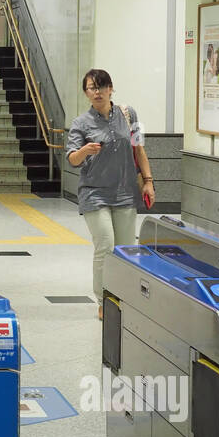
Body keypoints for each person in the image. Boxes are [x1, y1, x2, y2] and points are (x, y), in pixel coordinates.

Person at [66, 68, 154, 320]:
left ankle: (123, 297)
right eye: (92, 88)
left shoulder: (129, 115)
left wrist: (148, 181)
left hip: (125, 191)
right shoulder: (81, 123)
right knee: (105, 244)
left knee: (126, 249)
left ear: (111, 88)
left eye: (102, 86)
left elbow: (139, 150)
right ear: (86, 92)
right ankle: (104, 299)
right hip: (94, 193)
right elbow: (72, 159)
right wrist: (85, 151)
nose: (97, 92)